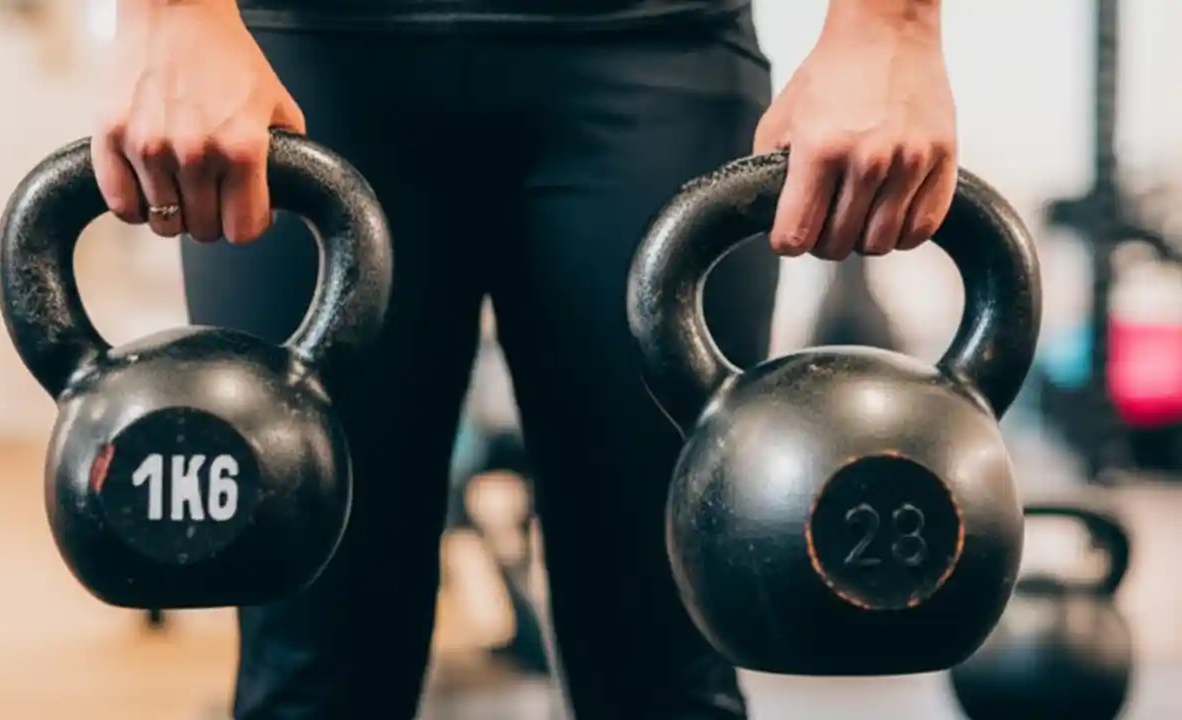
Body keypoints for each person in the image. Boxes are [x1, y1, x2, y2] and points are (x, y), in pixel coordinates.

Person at [93, 0, 958, 717]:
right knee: (310, 670)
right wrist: (171, 16)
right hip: (306, 64)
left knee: (666, 663)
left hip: (658, 47)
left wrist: (890, 26)